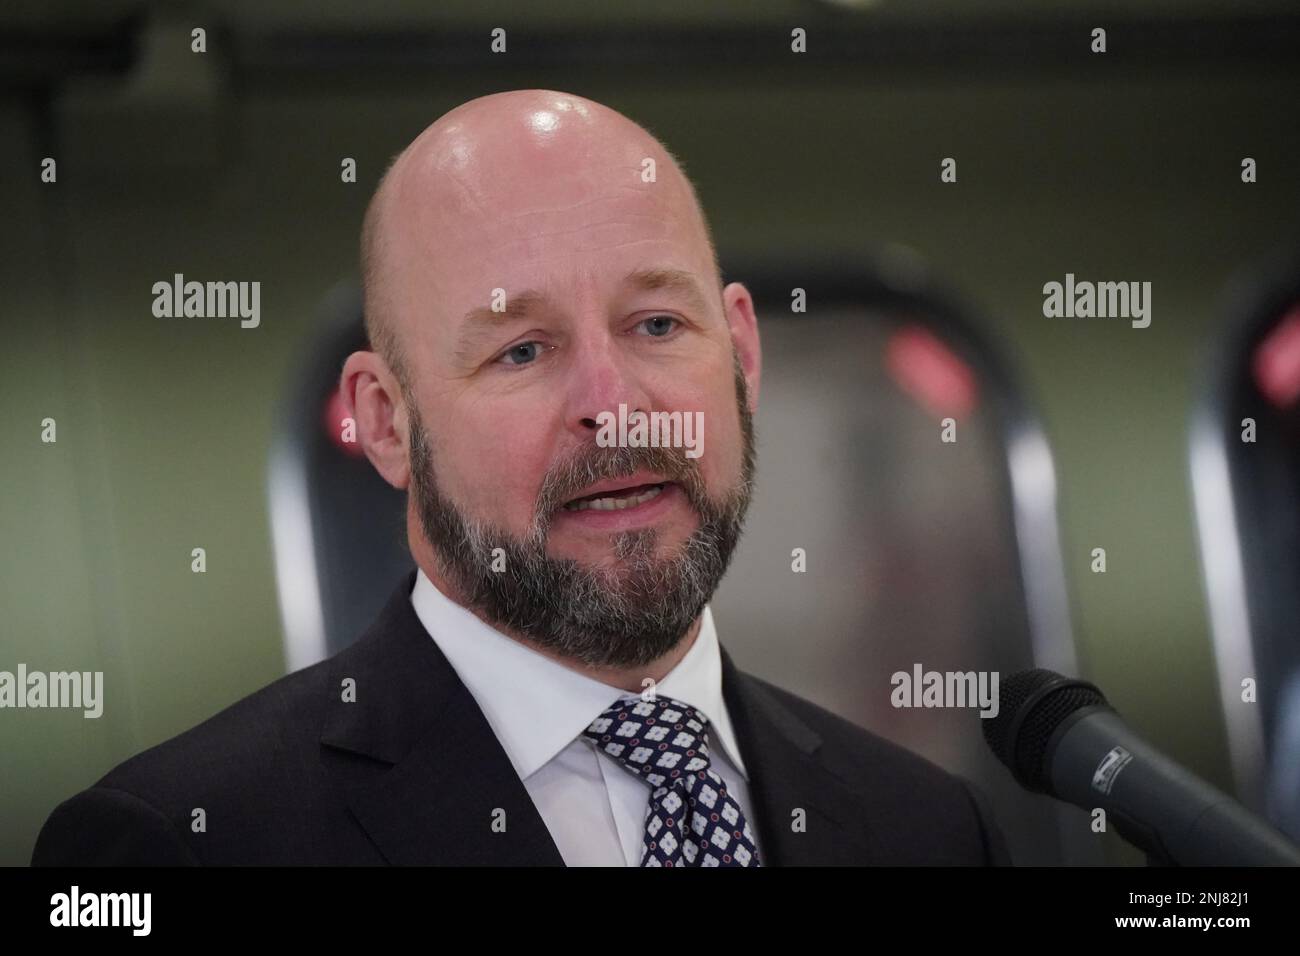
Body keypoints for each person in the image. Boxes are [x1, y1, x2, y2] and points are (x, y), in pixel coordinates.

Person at [32, 89, 1009, 866]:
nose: (614, 405)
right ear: (386, 421)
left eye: (657, 324)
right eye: (522, 350)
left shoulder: (929, 830)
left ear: (743, 355)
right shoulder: (186, 842)